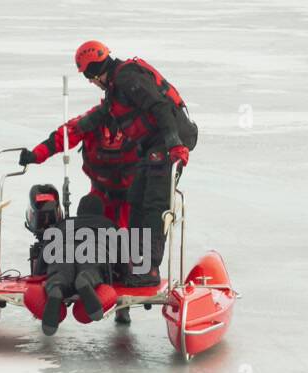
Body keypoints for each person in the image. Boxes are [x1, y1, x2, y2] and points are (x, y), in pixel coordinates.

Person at [69, 40, 198, 287]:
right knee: (135, 197)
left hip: (169, 139)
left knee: (154, 202)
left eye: (88, 75)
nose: (89, 81)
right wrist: (81, 127)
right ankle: (136, 263)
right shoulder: (116, 88)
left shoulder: (128, 78)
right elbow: (106, 112)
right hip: (152, 145)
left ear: (94, 70)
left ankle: (148, 268)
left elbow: (160, 107)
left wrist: (174, 143)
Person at [19, 104, 141, 323]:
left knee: (79, 245)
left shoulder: (141, 120)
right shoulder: (94, 119)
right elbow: (65, 136)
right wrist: (37, 154)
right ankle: (108, 290)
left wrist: (39, 272)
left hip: (128, 196)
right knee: (114, 246)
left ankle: (58, 284)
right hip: (102, 192)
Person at [41, 194, 117, 336]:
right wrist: (125, 275)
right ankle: (85, 279)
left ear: (79, 210)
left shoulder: (63, 223)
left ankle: (56, 286)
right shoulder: (108, 224)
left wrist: (39, 271)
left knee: (60, 273)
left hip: (62, 250)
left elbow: (46, 250)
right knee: (91, 270)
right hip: (92, 251)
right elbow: (121, 254)